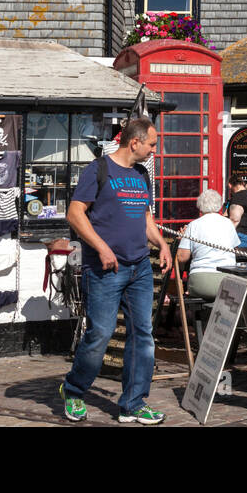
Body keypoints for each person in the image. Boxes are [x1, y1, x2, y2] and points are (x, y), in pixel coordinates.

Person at [60, 118, 173, 425]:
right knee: (100, 334)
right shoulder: (97, 170)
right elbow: (74, 213)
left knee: (143, 336)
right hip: (105, 269)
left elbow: (145, 214)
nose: (154, 149)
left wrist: (161, 243)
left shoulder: (141, 173)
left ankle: (133, 404)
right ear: (134, 142)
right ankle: (73, 390)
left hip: (139, 267)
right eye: (151, 143)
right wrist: (101, 247)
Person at [177, 189, 241, 299]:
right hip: (227, 283)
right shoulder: (228, 224)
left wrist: (181, 241)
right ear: (219, 205)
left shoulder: (193, 225)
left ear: (200, 206)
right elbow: (235, 249)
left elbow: (182, 257)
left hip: (200, 282)